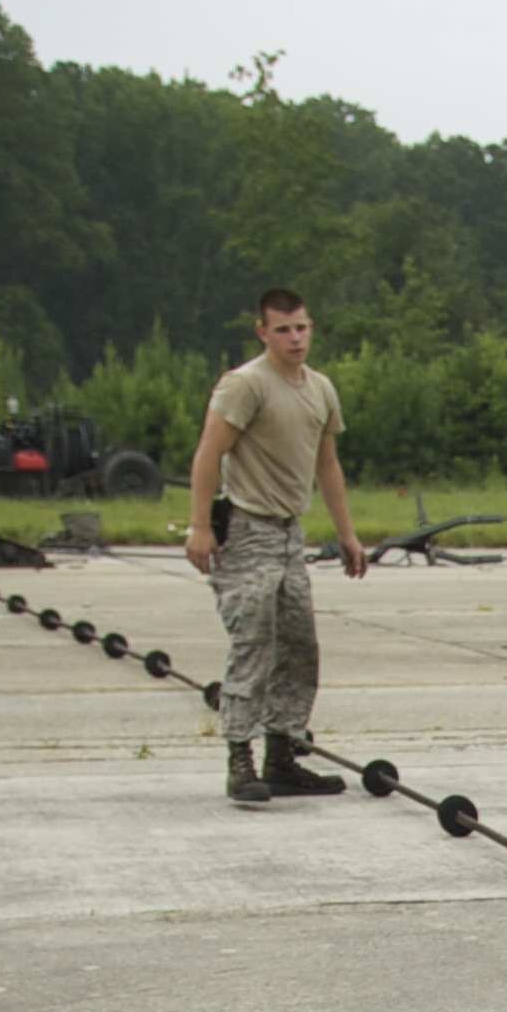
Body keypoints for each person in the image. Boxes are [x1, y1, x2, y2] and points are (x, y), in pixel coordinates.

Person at [184, 288, 367, 810]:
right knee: (254, 640)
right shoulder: (245, 386)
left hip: (289, 532)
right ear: (262, 332)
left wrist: (346, 534)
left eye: (302, 327)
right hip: (246, 529)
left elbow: (326, 464)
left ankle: (282, 752)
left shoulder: (320, 389)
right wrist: (200, 525)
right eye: (283, 329)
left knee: (299, 644)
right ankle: (239, 755)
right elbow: (209, 452)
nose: (296, 338)